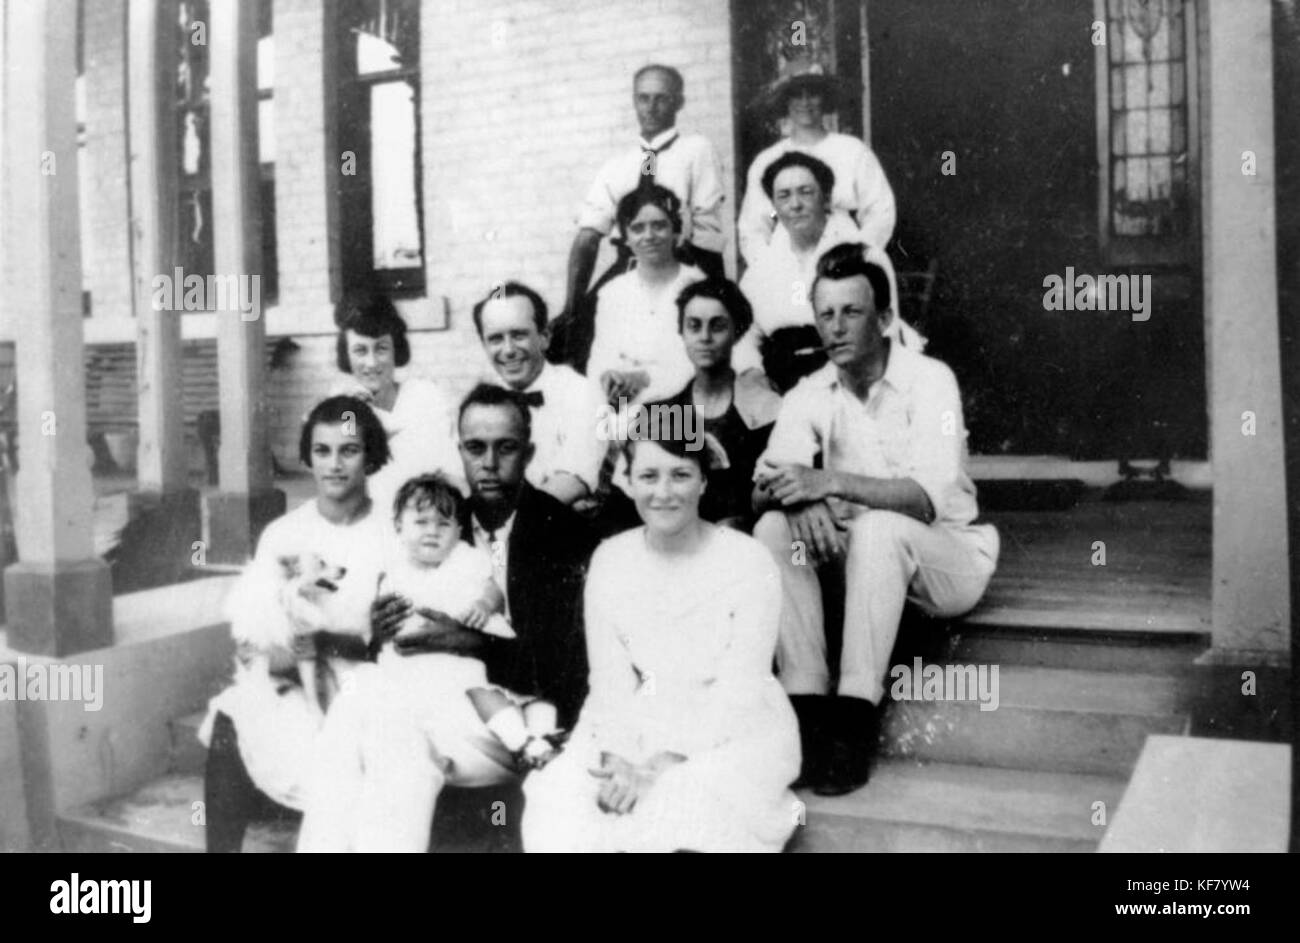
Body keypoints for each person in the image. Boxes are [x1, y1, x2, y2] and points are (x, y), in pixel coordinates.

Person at [297, 385, 597, 852]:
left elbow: (567, 672)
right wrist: (384, 628)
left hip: (515, 727)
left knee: (381, 724)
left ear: (529, 452)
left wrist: (470, 641)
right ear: (459, 449)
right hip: (431, 706)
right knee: (364, 714)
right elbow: (400, 635)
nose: (490, 462)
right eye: (475, 448)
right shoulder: (440, 519)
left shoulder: (566, 536)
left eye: (507, 448)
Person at [751, 243, 999, 797]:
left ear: (885, 318)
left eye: (852, 312)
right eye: (825, 314)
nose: (835, 328)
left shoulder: (930, 379)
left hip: (946, 558)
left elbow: (925, 498)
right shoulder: (810, 391)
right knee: (773, 529)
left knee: (882, 525)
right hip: (860, 564)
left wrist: (829, 482)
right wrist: (799, 498)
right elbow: (762, 488)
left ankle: (855, 718)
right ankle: (807, 708)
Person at [522, 432, 801, 853]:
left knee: (682, 802)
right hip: (639, 716)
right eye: (649, 476)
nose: (664, 492)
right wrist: (617, 753)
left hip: (732, 726)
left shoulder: (749, 560)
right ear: (628, 481)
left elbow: (743, 684)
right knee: (561, 795)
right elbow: (610, 678)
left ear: (704, 481)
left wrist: (661, 764)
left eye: (681, 475)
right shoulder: (610, 558)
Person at [200, 396, 390, 852]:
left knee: (346, 757)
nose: (335, 464)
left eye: (350, 450)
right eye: (322, 451)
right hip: (291, 676)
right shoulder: (283, 534)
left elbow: (389, 643)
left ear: (371, 456)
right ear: (308, 457)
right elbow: (254, 628)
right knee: (234, 712)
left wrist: (325, 645)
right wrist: (269, 652)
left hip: (364, 684)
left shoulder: (391, 531)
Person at [551, 64, 725, 368]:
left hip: (679, 264)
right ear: (634, 101)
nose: (651, 107)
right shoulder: (616, 165)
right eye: (643, 98)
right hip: (626, 267)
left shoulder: (696, 150)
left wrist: (713, 291)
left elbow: (706, 230)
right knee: (574, 345)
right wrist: (572, 307)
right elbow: (588, 237)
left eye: (661, 98)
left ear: (678, 103)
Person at [647, 278, 781, 530]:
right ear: (682, 332)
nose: (704, 337)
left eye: (717, 327)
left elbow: (769, 498)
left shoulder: (766, 410)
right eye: (694, 326)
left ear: (737, 331)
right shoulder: (659, 413)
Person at [737, 54, 895, 264]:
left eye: (812, 94)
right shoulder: (767, 160)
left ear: (825, 98)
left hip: (842, 248)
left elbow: (880, 211)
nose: (805, 102)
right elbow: (753, 225)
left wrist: (860, 256)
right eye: (796, 95)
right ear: (785, 102)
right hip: (787, 254)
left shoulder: (852, 150)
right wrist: (766, 265)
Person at [735, 151, 873, 392]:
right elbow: (743, 335)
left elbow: (881, 332)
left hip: (845, 378)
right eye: (784, 196)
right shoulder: (761, 268)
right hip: (778, 383)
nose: (795, 204)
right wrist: (752, 374)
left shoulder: (863, 257)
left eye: (806, 192)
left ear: (826, 199)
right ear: (774, 206)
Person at [473, 281, 609, 508]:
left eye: (518, 335)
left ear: (544, 336)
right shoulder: (478, 403)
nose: (508, 350)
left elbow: (575, 477)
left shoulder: (584, 393)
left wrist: (511, 521)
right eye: (496, 338)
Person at [329, 292, 463, 511]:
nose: (371, 363)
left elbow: (450, 469)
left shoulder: (425, 397)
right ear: (346, 355)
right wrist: (357, 410)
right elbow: (346, 473)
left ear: (396, 350)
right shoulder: (345, 407)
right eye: (360, 351)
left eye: (381, 348)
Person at [586, 185, 706, 410]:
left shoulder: (699, 286)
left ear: (675, 232)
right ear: (626, 238)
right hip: (624, 403)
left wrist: (644, 377)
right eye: (637, 228)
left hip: (683, 407)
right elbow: (601, 357)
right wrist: (607, 377)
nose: (649, 236)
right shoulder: (612, 292)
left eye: (659, 226)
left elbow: (700, 360)